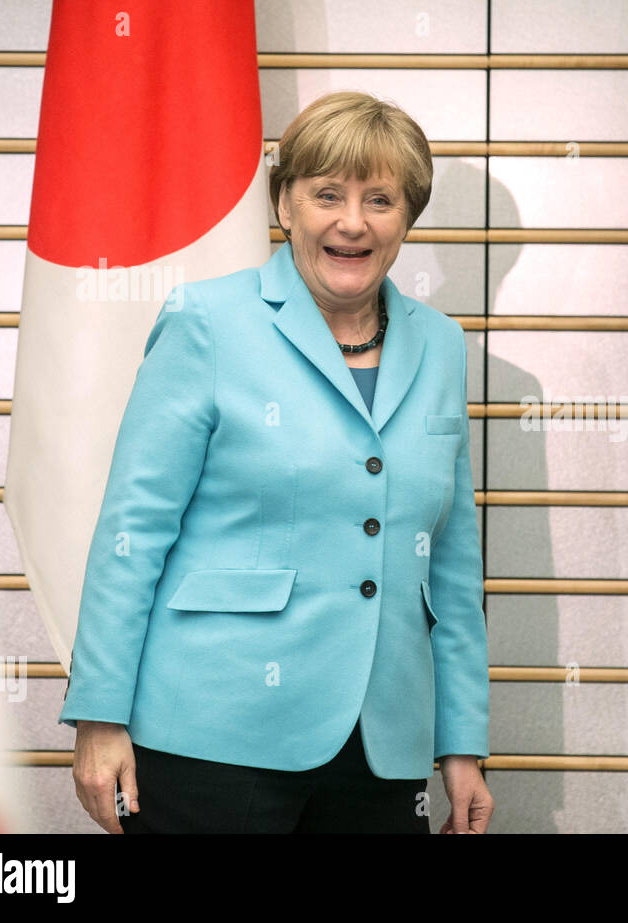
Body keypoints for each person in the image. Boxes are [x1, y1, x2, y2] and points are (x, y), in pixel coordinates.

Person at [59, 91, 493, 833]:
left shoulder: (442, 344)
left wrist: (462, 741)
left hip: (382, 746)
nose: (351, 221)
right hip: (213, 734)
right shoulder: (208, 322)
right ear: (285, 204)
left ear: (407, 220)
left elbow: (449, 562)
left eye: (380, 199)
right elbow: (133, 531)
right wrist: (99, 714)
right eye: (327, 194)